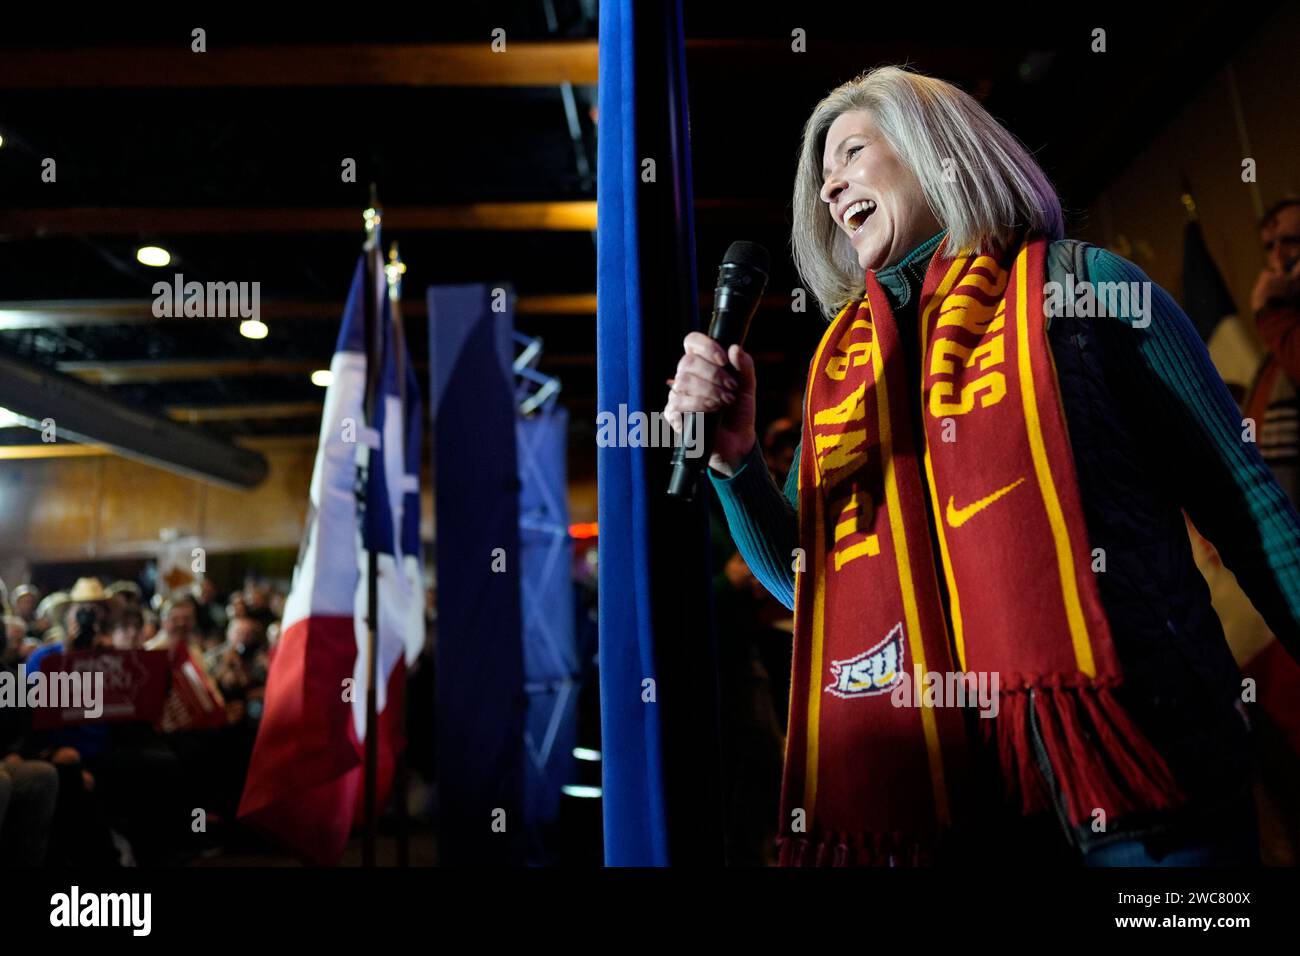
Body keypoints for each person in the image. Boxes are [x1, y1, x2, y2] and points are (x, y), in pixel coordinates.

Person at [665, 65, 1300, 867]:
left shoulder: (1082, 286)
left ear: (940, 152)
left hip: (1145, 779)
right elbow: (810, 583)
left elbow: (1247, 505)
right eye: (821, 180)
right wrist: (735, 464)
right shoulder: (844, 375)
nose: (831, 190)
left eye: (853, 154)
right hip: (961, 815)